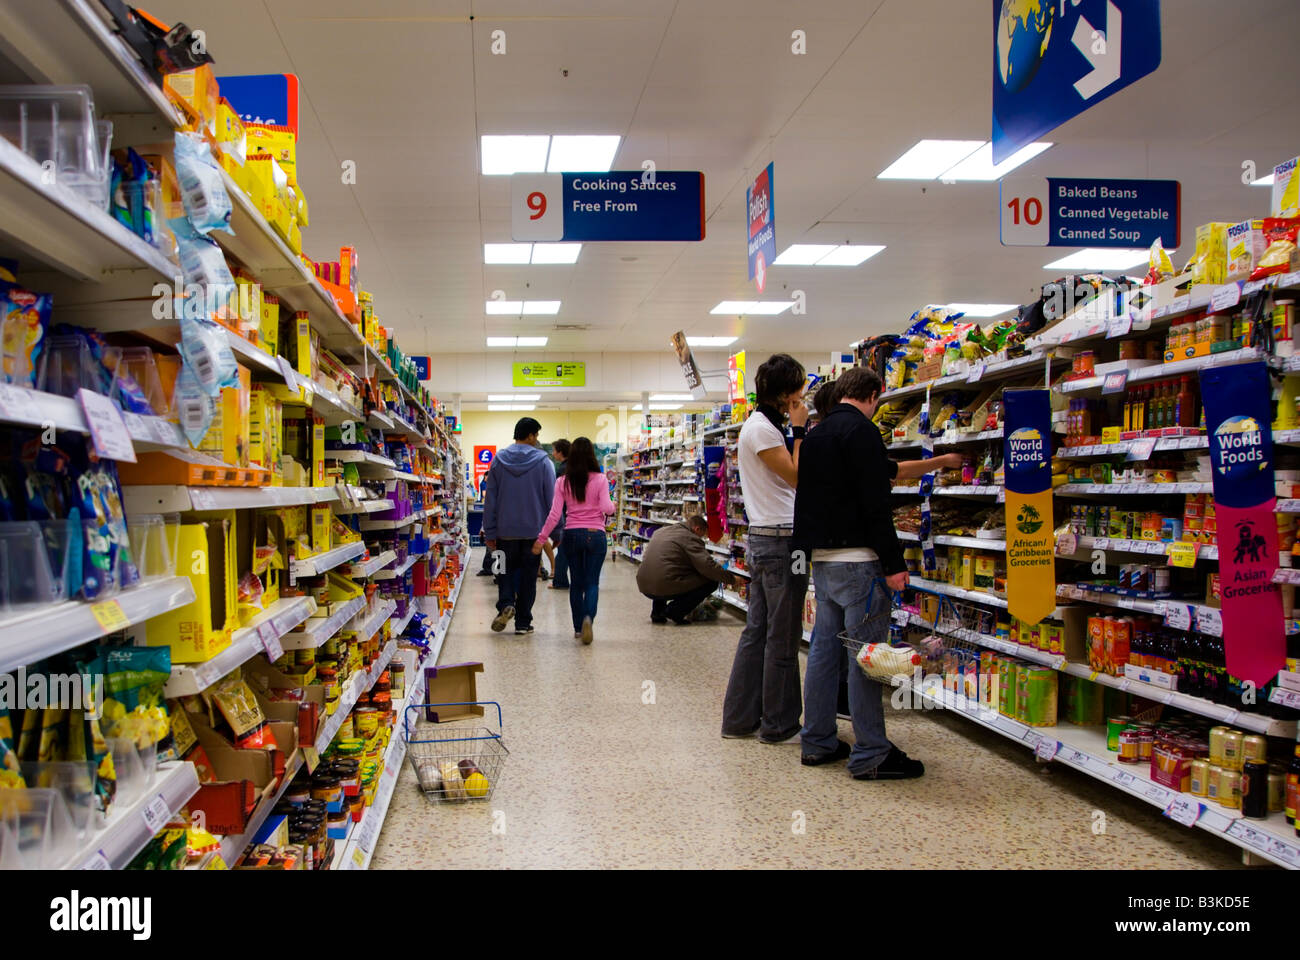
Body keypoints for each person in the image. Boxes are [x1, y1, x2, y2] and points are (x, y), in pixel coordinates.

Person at [793, 365, 962, 778]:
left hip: (826, 563)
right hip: (860, 564)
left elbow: (808, 499)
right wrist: (892, 564)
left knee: (823, 652)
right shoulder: (863, 433)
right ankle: (870, 753)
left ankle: (817, 740)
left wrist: (803, 554)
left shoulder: (815, 437)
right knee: (866, 658)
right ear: (873, 395)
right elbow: (875, 504)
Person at [721, 353, 810, 744]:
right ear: (785, 394)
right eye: (798, 390)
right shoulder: (762, 429)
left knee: (758, 631)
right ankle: (779, 724)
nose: (802, 396)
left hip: (767, 540)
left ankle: (740, 720)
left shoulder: (762, 426)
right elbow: (797, 477)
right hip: (780, 541)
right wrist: (801, 430)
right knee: (782, 635)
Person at [534, 437, 615, 644]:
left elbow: (554, 514)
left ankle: (579, 628)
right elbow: (607, 508)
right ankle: (589, 617)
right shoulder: (601, 479)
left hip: (571, 535)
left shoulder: (562, 481)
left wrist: (541, 538)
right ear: (591, 456)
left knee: (576, 584)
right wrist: (611, 507)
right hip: (595, 534)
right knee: (592, 583)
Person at [482, 417, 555, 636]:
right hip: (533, 535)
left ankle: (505, 603)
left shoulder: (497, 461)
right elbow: (552, 500)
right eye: (537, 435)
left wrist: (490, 531)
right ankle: (523, 622)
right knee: (528, 576)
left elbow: (490, 500)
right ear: (531, 435)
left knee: (503, 571)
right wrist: (556, 530)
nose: (537, 440)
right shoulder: (544, 463)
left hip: (505, 534)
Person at [637, 514, 736, 624]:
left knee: (664, 569)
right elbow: (708, 567)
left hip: (644, 584)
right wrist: (732, 579)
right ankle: (675, 611)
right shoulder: (690, 537)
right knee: (711, 582)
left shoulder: (662, 531)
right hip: (662, 585)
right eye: (701, 535)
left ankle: (657, 613)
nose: (701, 538)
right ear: (697, 529)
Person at [547, 439, 572, 589]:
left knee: (563, 550)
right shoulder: (575, 467)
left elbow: (558, 497)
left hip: (566, 515)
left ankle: (560, 581)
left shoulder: (562, 469)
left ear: (560, 452)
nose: (553, 453)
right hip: (579, 516)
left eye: (554, 450)